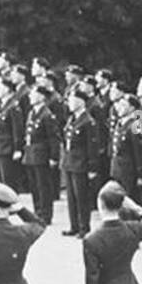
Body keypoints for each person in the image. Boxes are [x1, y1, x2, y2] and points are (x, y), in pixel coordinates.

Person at [61, 84, 100, 236]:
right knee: (71, 197)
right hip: (71, 161)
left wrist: (92, 166)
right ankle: (75, 225)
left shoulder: (88, 121)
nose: (69, 103)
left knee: (81, 197)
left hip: (81, 162)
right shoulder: (72, 119)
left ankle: (84, 226)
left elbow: (92, 145)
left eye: (72, 100)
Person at [22, 82, 61, 225]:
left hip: (41, 154)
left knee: (43, 186)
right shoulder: (32, 113)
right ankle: (37, 211)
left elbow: (53, 138)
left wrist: (53, 156)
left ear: (41, 96)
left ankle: (45, 214)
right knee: (34, 186)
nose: (30, 97)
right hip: (31, 153)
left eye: (33, 94)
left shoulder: (47, 115)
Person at [0, 76, 25, 191]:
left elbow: (17, 129)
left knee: (8, 182)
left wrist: (17, 148)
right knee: (0, 181)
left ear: (6, 89)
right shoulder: (0, 106)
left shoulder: (13, 107)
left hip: (7, 148)